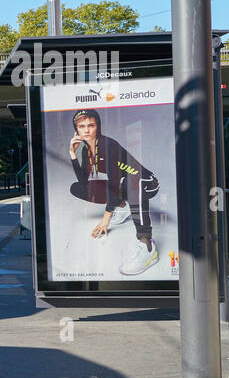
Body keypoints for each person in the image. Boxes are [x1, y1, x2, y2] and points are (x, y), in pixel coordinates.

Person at [67, 108, 160, 276]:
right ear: (77, 129)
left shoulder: (107, 145)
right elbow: (83, 181)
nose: (86, 130)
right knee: (77, 188)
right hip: (124, 184)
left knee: (131, 184)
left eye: (91, 125)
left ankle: (148, 247)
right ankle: (123, 206)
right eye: (82, 126)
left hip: (147, 182)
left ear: (98, 127)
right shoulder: (85, 150)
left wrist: (106, 217)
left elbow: (115, 181)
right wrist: (72, 154)